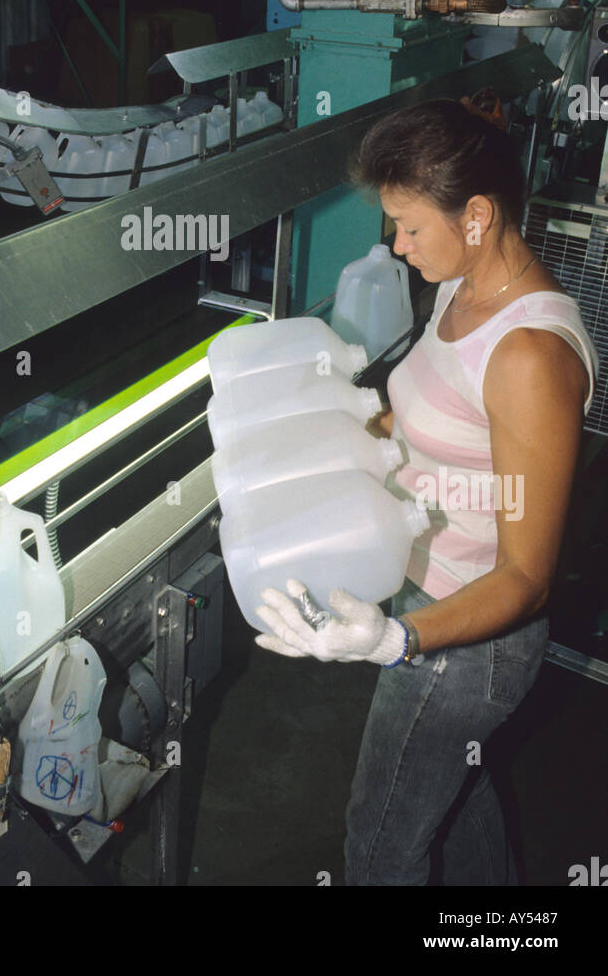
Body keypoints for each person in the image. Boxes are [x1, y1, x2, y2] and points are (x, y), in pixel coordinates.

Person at [254, 89, 599, 886]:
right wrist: (344, 432)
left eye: (411, 226)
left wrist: (393, 641)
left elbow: (527, 576)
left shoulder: (529, 358)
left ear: (476, 216)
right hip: (421, 590)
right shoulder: (458, 288)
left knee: (380, 851)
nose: (398, 246)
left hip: (464, 645)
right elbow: (432, 428)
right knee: (458, 797)